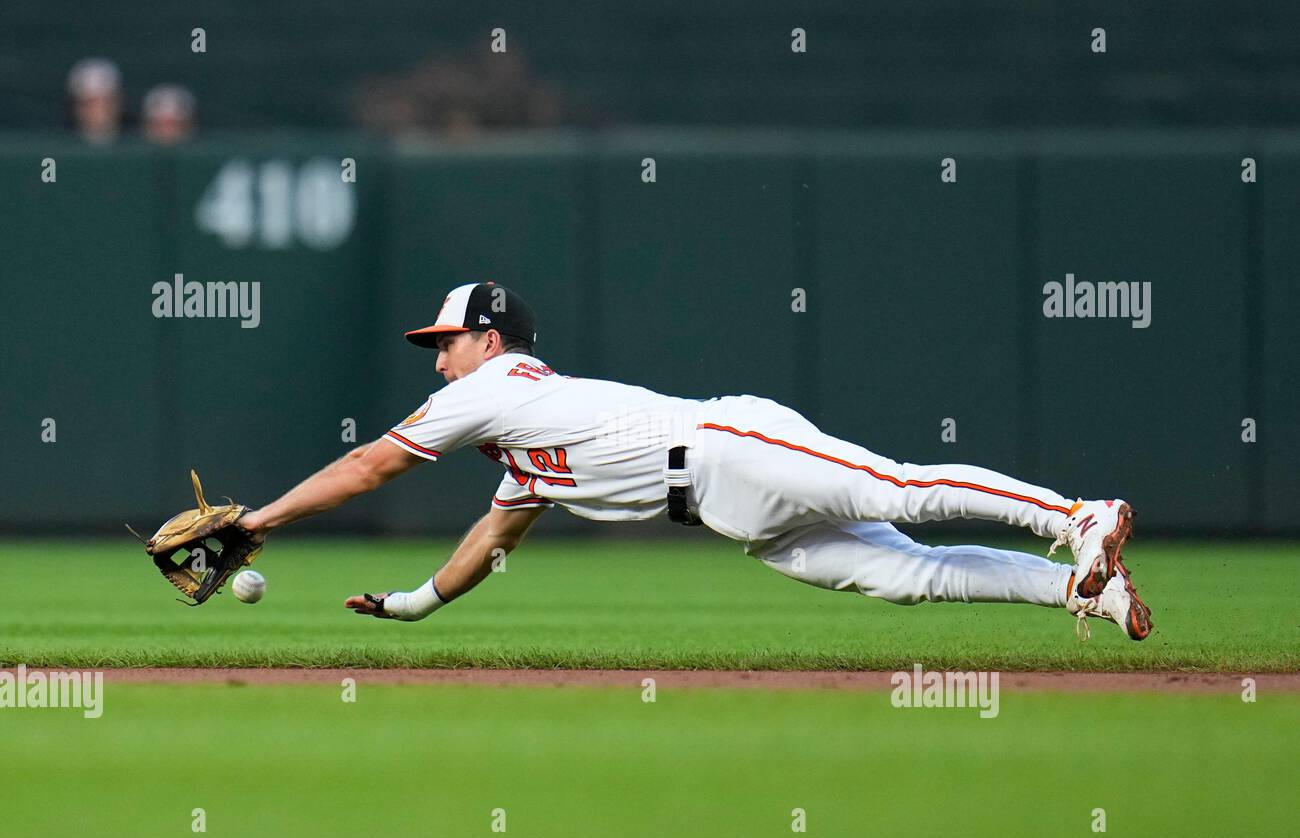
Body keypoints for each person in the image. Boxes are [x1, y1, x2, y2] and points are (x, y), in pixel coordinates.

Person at [237, 282, 1152, 640]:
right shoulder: (521, 440)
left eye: (446, 342)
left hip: (726, 445)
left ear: (489, 339)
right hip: (730, 514)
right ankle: (1081, 590)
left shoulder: (493, 386)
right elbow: (493, 534)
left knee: (900, 491)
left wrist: (256, 522)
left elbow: (368, 469)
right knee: (908, 576)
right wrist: (411, 604)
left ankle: (1077, 517)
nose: (436, 359)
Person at [67, 58, 122, 144]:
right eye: (89, 103)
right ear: (76, 105)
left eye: (106, 101)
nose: (98, 109)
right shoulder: (57, 145)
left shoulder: (138, 140)